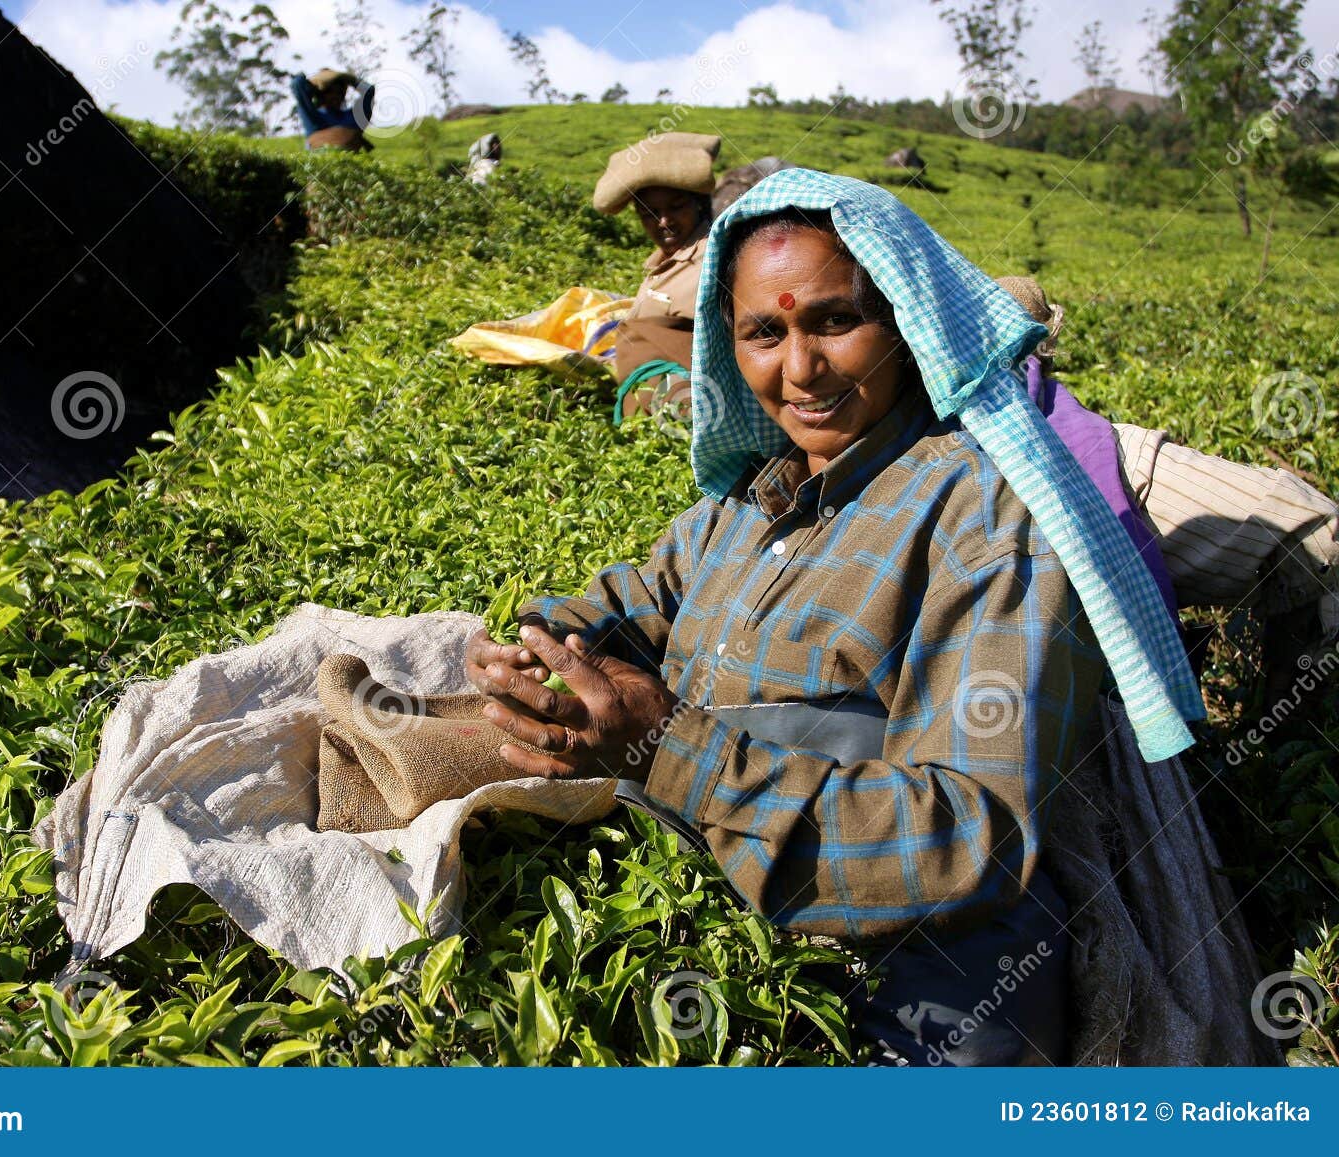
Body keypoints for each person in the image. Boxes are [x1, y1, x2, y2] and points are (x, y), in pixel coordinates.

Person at [463, 169, 1252, 1066]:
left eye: (834, 321)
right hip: (732, 944)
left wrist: (670, 749)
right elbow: (630, 602)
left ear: (906, 327)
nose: (800, 369)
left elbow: (970, 835)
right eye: (765, 332)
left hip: (919, 994)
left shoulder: (986, 517)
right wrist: (535, 650)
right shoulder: (745, 506)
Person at [998, 275, 1339, 711]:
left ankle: (1273, 738)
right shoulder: (1072, 435)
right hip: (1255, 523)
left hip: (1279, 544)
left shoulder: (1073, 441)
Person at [591, 133, 721, 422]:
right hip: (647, 409)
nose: (664, 222)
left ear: (698, 204)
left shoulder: (711, 261)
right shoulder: (659, 266)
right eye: (650, 213)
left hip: (689, 412)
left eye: (676, 207)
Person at [292, 68, 376, 151]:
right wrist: (316, 80)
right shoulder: (313, 118)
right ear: (319, 94)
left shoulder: (353, 118)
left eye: (339, 92)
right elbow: (297, 84)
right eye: (329, 92)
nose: (335, 96)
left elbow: (369, 91)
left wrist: (352, 80)